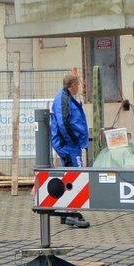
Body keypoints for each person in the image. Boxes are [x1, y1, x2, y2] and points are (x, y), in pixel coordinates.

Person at [49, 72, 90, 228]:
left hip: (70, 145)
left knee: (71, 177)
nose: (78, 87)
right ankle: (72, 214)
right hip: (68, 146)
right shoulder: (63, 99)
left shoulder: (66, 98)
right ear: (72, 85)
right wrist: (73, 141)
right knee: (76, 178)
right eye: (77, 85)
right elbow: (64, 123)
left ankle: (69, 213)